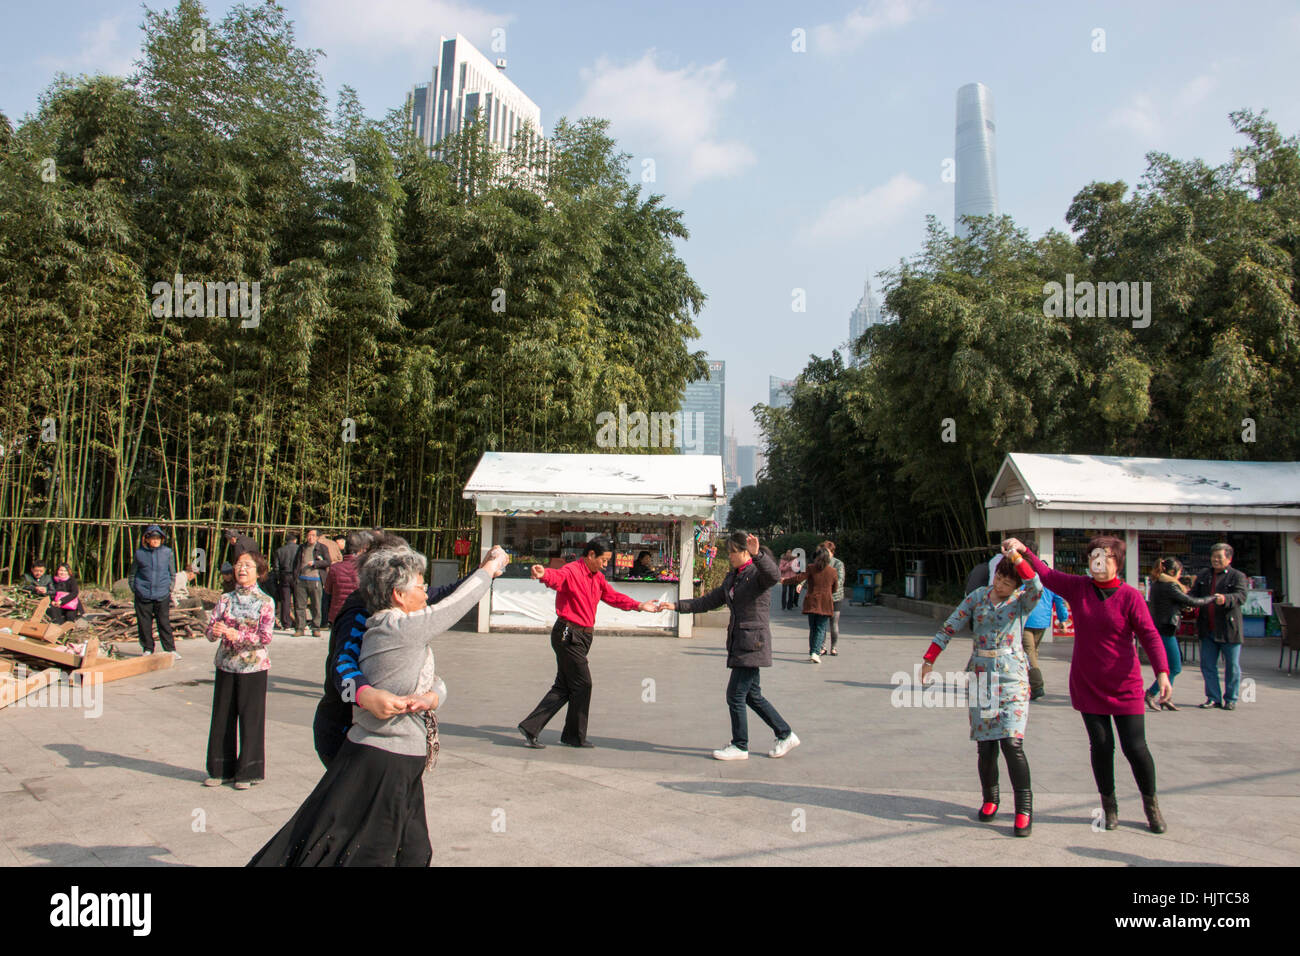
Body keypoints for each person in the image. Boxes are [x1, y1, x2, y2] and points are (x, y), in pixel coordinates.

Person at [250, 543, 509, 866]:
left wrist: (432, 697)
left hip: (397, 755)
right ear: (398, 593)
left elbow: (431, 668)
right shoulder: (394, 626)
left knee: (411, 849)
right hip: (377, 752)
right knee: (362, 847)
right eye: (420, 584)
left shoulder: (400, 622)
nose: (427, 591)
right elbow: (455, 604)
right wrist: (489, 569)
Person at [1003, 535, 1172, 833]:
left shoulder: (1130, 596)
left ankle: (1151, 805)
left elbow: (1149, 635)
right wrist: (1023, 550)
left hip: (1125, 685)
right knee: (1102, 746)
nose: (1099, 562)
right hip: (1087, 683)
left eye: (1106, 557)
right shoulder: (1079, 588)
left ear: (1117, 562)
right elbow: (1047, 574)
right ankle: (1110, 807)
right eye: (1094, 556)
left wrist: (1162, 672)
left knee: (1135, 747)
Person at [312, 535, 493, 768]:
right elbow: (342, 665)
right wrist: (363, 694)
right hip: (346, 730)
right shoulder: (359, 611)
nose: (424, 592)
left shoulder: (394, 605)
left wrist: (483, 572)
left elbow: (446, 596)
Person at [923, 552, 1042, 836]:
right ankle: (990, 798)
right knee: (986, 745)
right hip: (981, 675)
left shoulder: (1021, 601)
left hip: (1012, 676)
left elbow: (1036, 585)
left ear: (1016, 585)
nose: (1000, 584)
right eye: (999, 577)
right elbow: (951, 624)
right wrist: (930, 658)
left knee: (1011, 743)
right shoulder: (978, 596)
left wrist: (1018, 556)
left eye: (1007, 581)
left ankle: (1024, 808)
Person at [662, 533, 799, 760]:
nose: (730, 555)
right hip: (740, 642)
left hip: (752, 643)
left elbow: (774, 575)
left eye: (734, 551)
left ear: (746, 552)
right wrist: (675, 606)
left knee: (735, 695)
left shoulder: (757, 575)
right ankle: (785, 734)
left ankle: (740, 745)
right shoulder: (733, 577)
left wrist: (759, 555)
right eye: (730, 551)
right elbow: (707, 601)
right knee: (752, 695)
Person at [517, 537, 661, 748]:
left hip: (583, 636)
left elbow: (613, 597)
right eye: (603, 560)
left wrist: (639, 605)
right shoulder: (573, 571)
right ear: (591, 555)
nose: (605, 565)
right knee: (583, 684)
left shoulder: (598, 578)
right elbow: (557, 577)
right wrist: (543, 574)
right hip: (568, 634)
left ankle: (534, 728)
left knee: (565, 686)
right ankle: (573, 736)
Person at [203, 550, 275, 789]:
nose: (242, 569)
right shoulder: (225, 599)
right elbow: (210, 628)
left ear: (259, 571)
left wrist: (239, 634)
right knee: (222, 717)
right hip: (226, 663)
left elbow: (265, 636)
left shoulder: (265, 602)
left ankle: (248, 771)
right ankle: (220, 769)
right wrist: (213, 632)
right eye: (239, 565)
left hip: (253, 666)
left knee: (251, 719)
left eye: (248, 565)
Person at [1146, 557, 1213, 712]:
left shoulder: (1158, 584)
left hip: (1161, 628)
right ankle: (1151, 693)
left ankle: (1166, 697)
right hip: (1166, 630)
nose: (1180, 576)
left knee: (1169, 666)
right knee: (1174, 667)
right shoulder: (1169, 585)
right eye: (1179, 572)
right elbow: (1192, 601)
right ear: (1172, 572)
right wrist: (1212, 598)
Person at [1190, 543, 1248, 711]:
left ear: (1229, 559)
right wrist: (1188, 602)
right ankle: (1213, 697)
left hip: (1229, 629)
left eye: (1219, 557)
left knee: (1232, 666)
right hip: (1207, 628)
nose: (1215, 560)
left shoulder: (1237, 576)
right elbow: (1194, 594)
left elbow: (1241, 596)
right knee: (1207, 665)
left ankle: (1231, 698)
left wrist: (1226, 598)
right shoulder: (1204, 575)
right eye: (1213, 556)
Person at [1022, 559, 1070, 700]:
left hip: (1027, 621)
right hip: (1042, 623)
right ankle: (1029, 684)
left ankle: (1037, 686)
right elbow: (1060, 601)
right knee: (1032, 652)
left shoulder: (1027, 581)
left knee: (1029, 653)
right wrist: (1063, 620)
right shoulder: (1051, 584)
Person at [781, 547, 838, 663]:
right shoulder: (832, 571)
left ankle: (813, 651)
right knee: (821, 628)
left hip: (812, 601)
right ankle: (815, 652)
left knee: (813, 628)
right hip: (825, 603)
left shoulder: (811, 568)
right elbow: (835, 588)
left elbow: (799, 578)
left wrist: (784, 581)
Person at [130, 524, 178, 659]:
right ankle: (147, 648)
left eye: (158, 538)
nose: (155, 540)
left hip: (162, 593)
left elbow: (172, 573)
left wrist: (169, 588)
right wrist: (136, 589)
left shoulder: (167, 552)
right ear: (147, 539)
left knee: (164, 622)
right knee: (144, 623)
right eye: (152, 538)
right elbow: (132, 574)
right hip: (143, 593)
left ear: (161, 539)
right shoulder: (139, 553)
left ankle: (170, 649)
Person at [323, 530, 372, 626]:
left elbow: (328, 590)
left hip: (338, 613)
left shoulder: (334, 568)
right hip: (360, 612)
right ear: (361, 549)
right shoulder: (367, 568)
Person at [293, 529, 331, 637]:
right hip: (301, 579)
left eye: (313, 535)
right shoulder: (301, 547)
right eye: (308, 535)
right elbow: (296, 563)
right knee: (300, 605)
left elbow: (328, 562)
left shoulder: (322, 548)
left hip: (316, 580)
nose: (310, 537)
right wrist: (295, 577)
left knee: (316, 605)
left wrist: (316, 563)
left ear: (318, 537)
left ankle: (316, 628)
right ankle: (300, 628)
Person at [820, 540, 846, 655]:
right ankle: (822, 646)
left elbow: (840, 580)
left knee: (834, 623)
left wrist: (830, 588)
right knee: (822, 623)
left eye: (827, 551)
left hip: (836, 597)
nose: (825, 553)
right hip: (823, 597)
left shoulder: (838, 564)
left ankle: (833, 647)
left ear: (832, 552)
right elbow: (811, 574)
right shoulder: (820, 563)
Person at [272, 532, 300, 629]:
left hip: (284, 576)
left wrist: (278, 578)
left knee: (285, 601)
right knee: (298, 600)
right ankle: (299, 623)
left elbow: (276, 567)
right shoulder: (299, 549)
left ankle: (286, 624)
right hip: (297, 576)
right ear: (295, 540)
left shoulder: (280, 550)